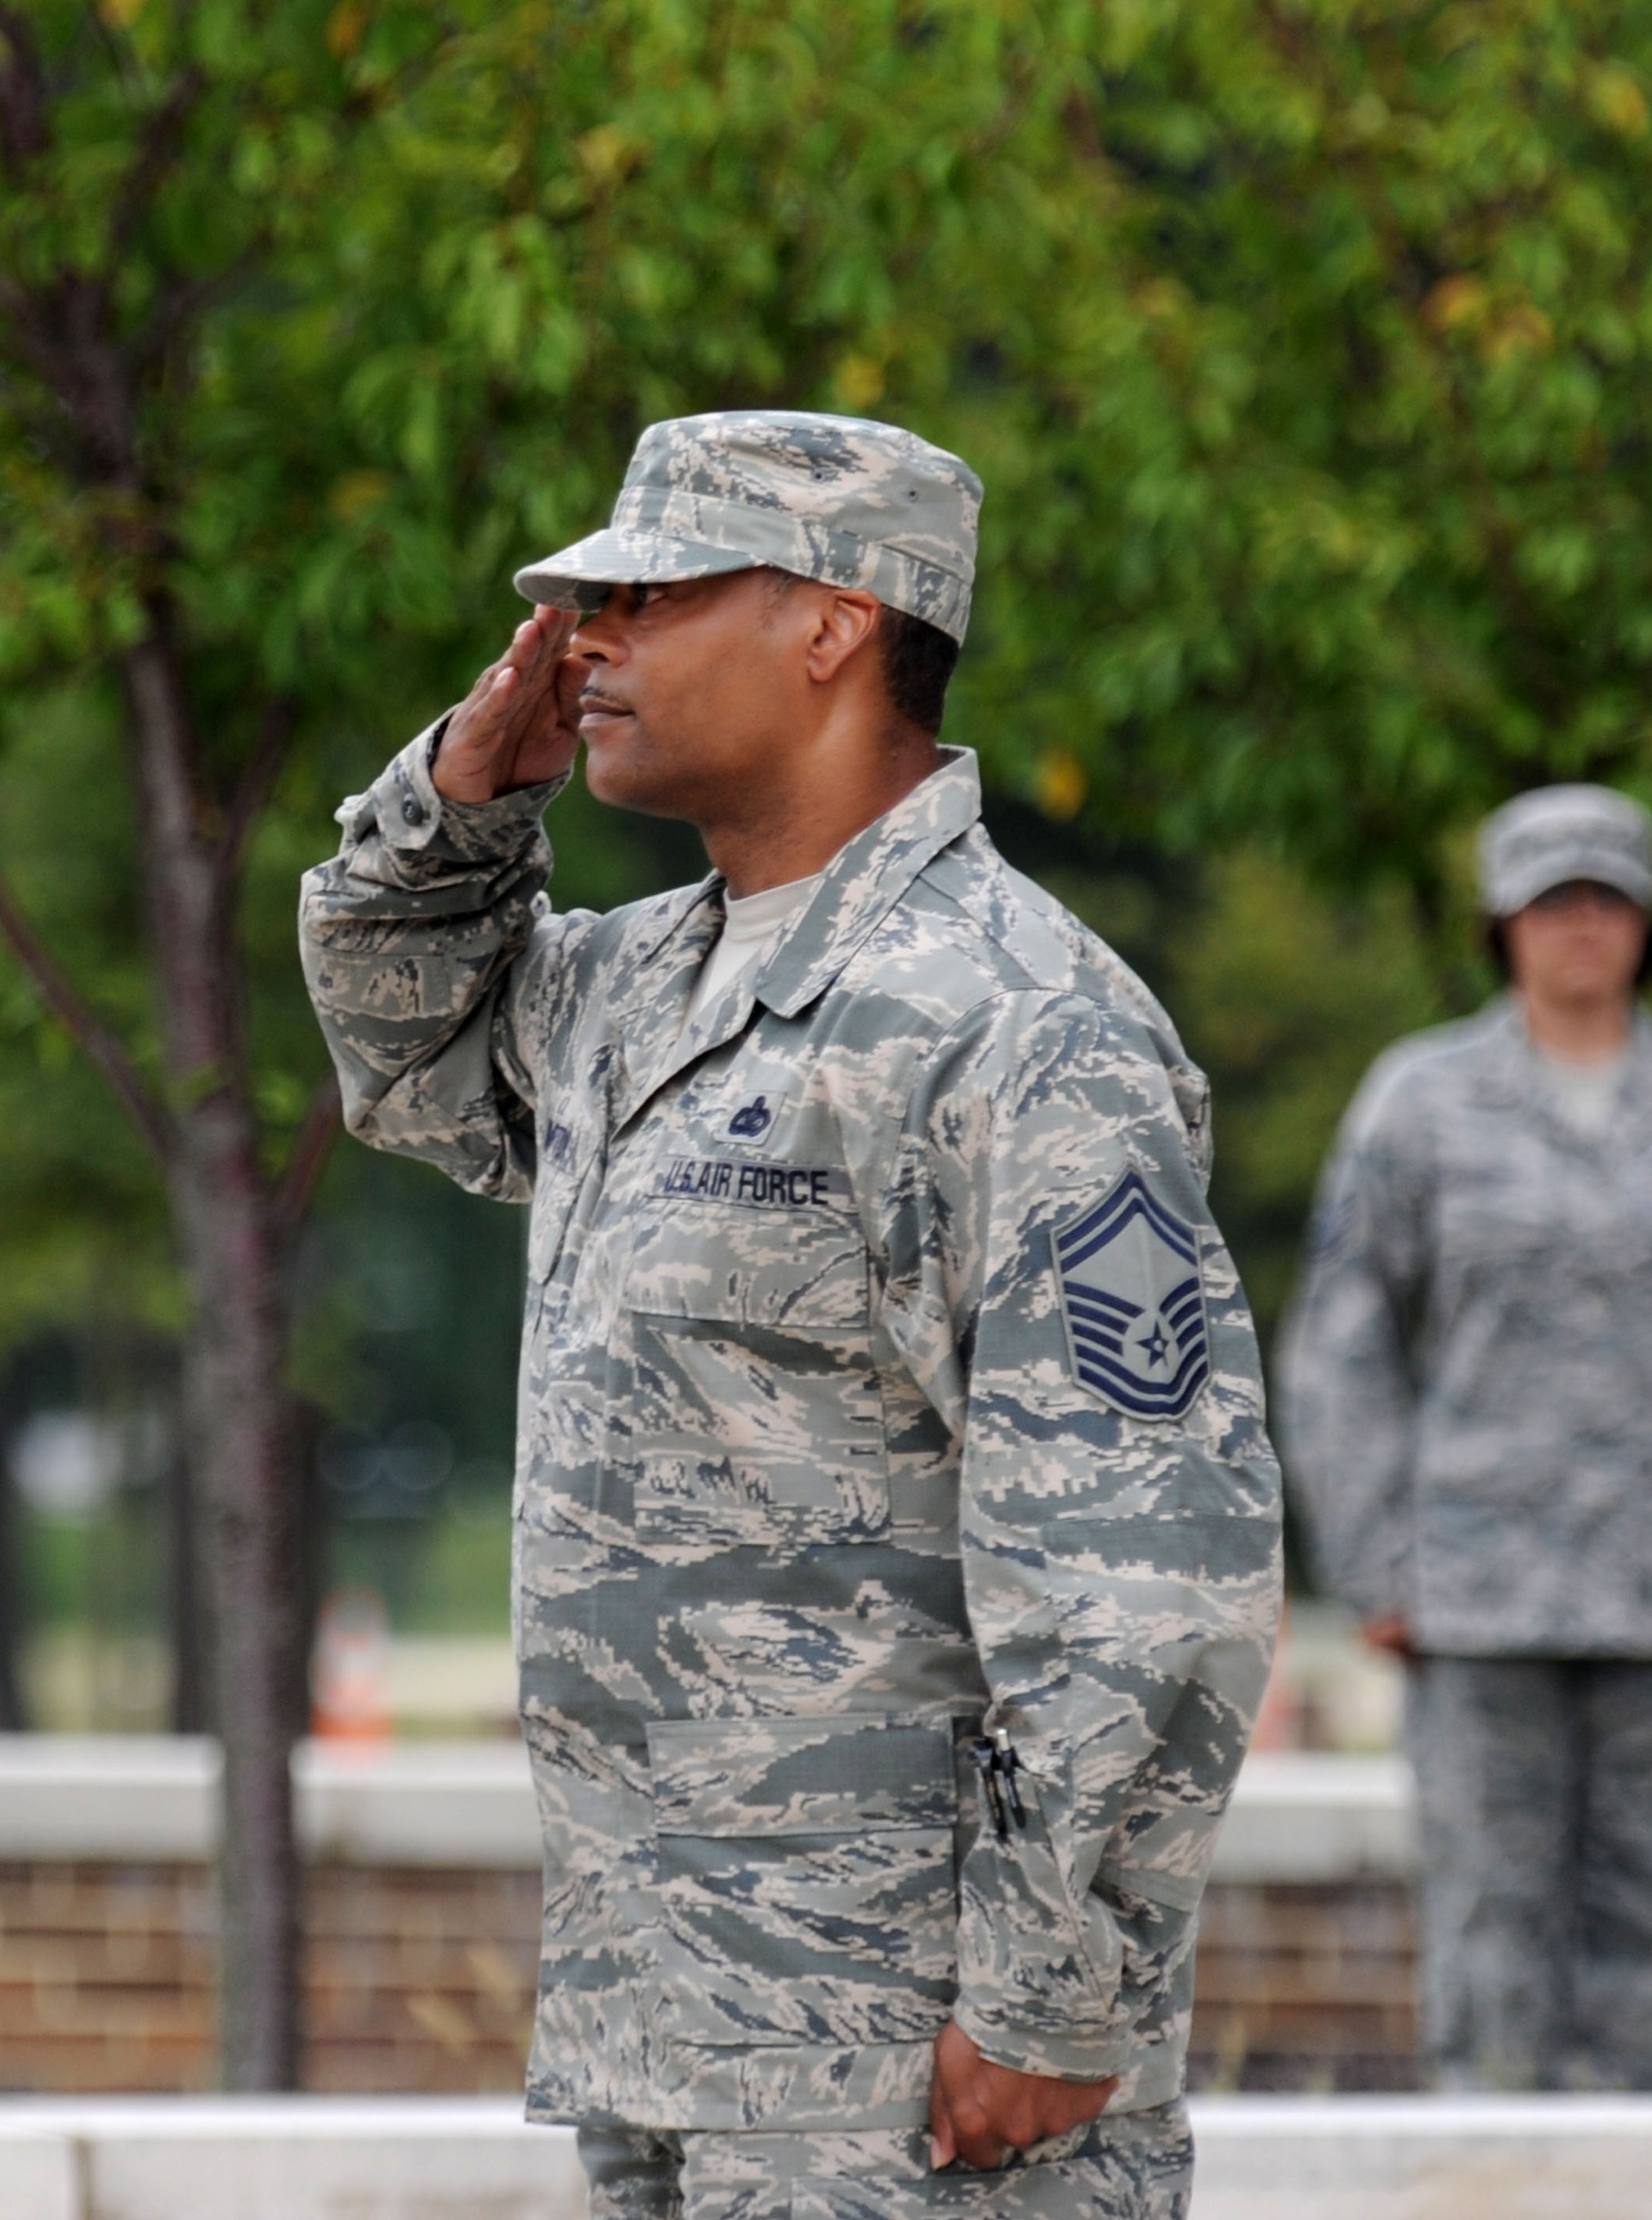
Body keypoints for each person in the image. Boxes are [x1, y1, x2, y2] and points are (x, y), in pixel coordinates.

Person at [299, 412, 1281, 2220]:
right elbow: (405, 1043)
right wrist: (462, 788)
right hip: (666, 2015)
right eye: (578, 609)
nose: (585, 640)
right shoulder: (633, 984)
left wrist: (1057, 1987)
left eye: (646, 595)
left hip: (909, 2059)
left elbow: (1146, 1570)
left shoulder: (1015, 1021)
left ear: (834, 622)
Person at [1277, 785, 1652, 2092]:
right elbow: (1343, 1344)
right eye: (1552, 902)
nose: (1581, 927)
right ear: (1502, 926)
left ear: (1648, 924)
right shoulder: (1418, 1104)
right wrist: (1377, 1562)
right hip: (1480, 1595)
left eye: (1607, 900)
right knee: (1490, 1928)